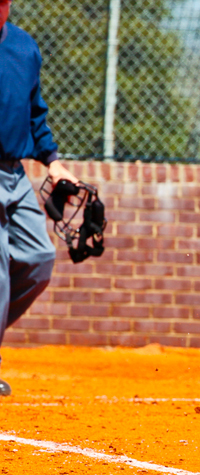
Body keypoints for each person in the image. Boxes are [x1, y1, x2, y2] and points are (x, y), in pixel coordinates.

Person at [0, 0, 79, 397]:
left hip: (13, 172)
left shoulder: (23, 47)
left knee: (38, 258)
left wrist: (53, 161)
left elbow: (35, 113)